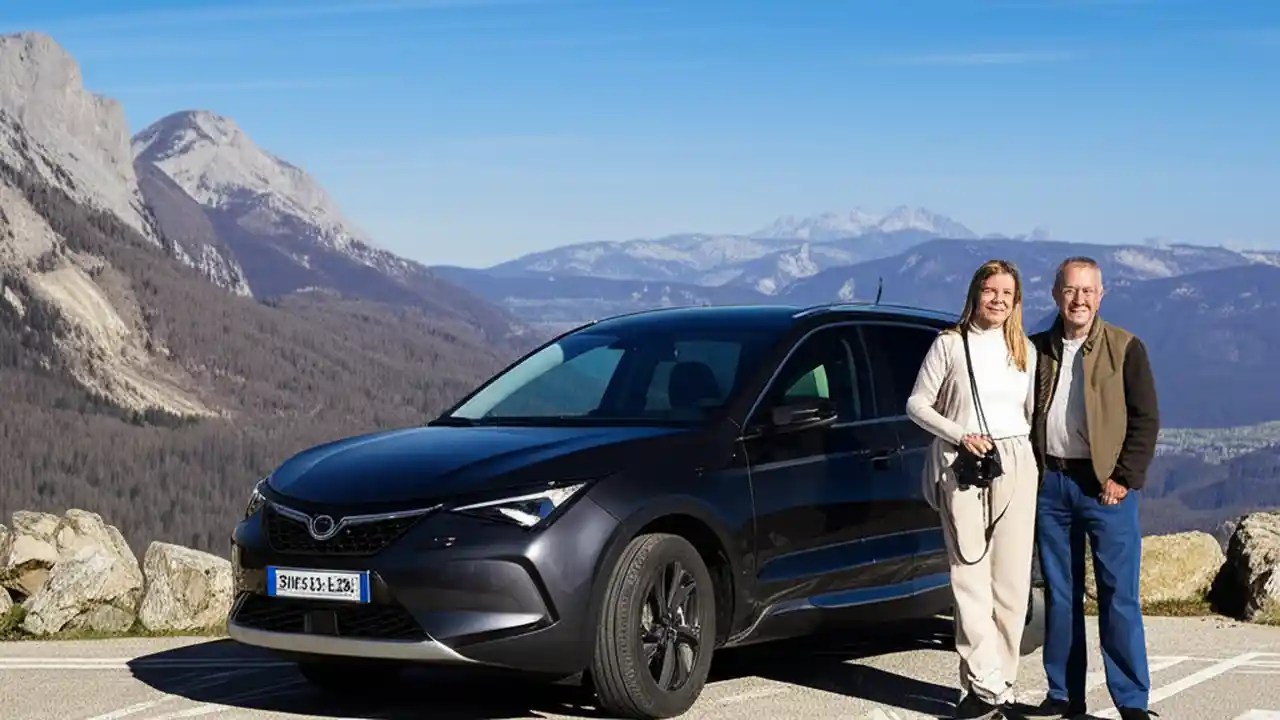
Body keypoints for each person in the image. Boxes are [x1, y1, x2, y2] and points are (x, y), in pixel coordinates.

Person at [1020, 257, 1159, 720]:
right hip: (1051, 485)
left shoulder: (1125, 348)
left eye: (1087, 291)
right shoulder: (1036, 348)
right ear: (1056, 294)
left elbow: (1145, 420)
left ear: (1101, 295)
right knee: (1061, 596)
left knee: (1119, 596)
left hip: (1106, 489)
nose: (1078, 300)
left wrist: (1124, 477)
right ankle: (1063, 695)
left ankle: (1132, 701)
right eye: (1070, 290)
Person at [906, 259, 1039, 719]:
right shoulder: (949, 344)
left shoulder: (1024, 349)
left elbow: (1027, 413)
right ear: (975, 293)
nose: (998, 300)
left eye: (1007, 293)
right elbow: (916, 404)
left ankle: (997, 682)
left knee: (1012, 583)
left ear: (1016, 300)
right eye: (990, 291)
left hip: (1015, 461)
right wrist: (959, 433)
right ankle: (986, 686)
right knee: (969, 576)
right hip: (963, 462)